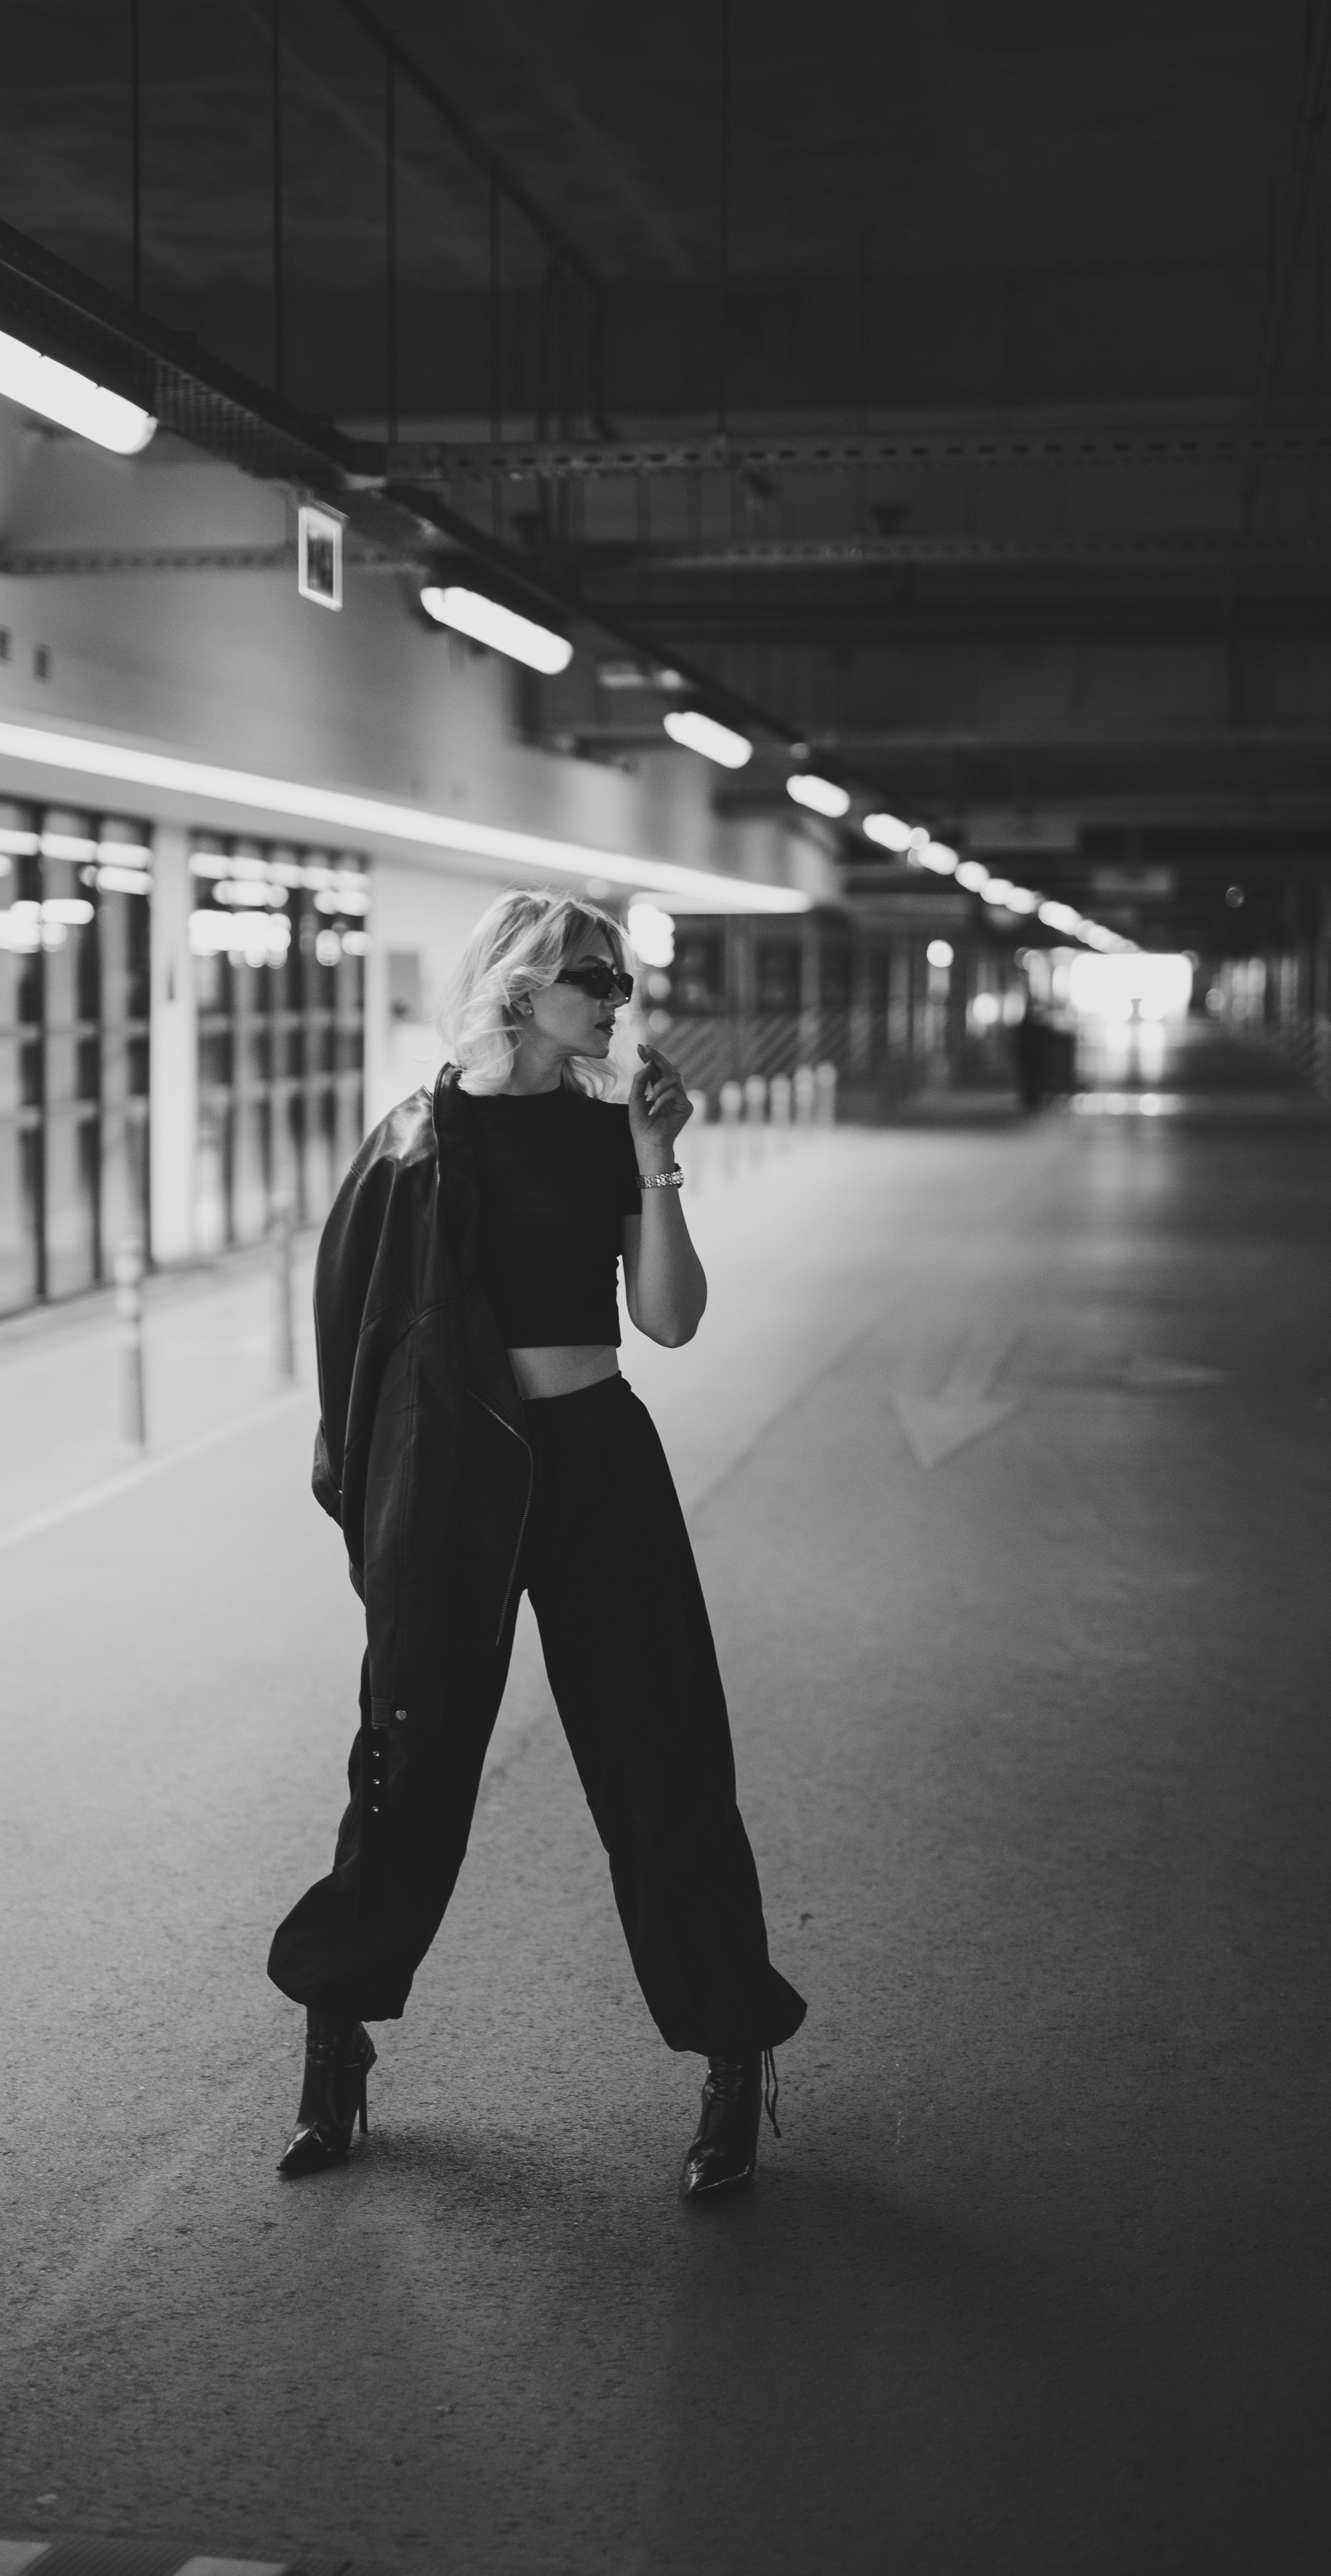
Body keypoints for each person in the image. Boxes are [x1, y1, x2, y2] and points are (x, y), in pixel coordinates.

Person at [267, 889, 806, 2200]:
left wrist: (658, 1161)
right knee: (411, 1756)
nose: (614, 998)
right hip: (454, 1473)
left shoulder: (605, 1129)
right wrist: (373, 1503)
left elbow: (669, 1321)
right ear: (519, 988)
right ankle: (334, 2052)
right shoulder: (419, 1138)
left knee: (663, 1752)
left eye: (620, 979)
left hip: (596, 1458)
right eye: (591, 976)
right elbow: (352, 1338)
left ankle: (734, 2062)